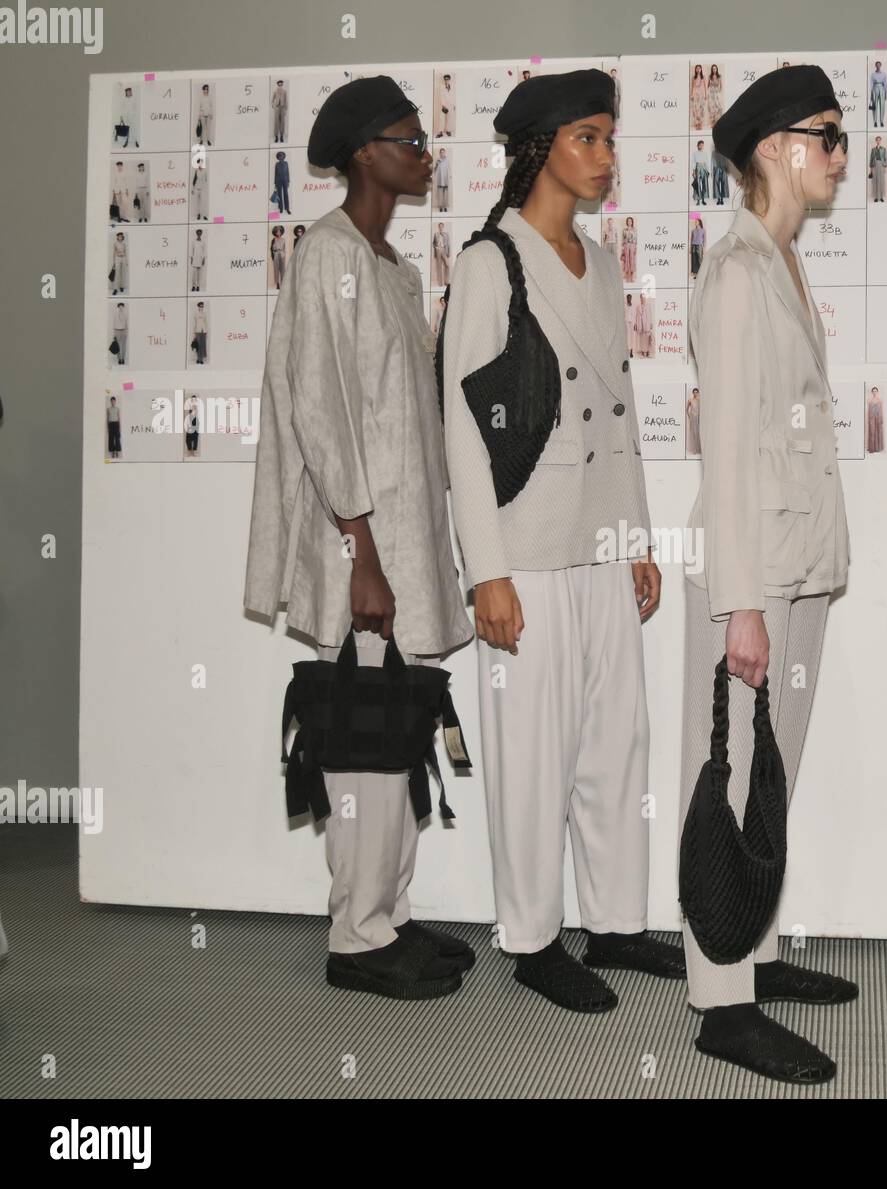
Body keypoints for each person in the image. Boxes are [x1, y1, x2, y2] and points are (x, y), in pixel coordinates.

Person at [438, 68, 684, 1013]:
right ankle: (534, 936)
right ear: (540, 145)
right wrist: (485, 570)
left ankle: (617, 923)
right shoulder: (489, 261)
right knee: (532, 754)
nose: (605, 156)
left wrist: (636, 538)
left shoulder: (605, 262)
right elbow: (461, 426)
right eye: (588, 137)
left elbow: (618, 410)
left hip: (598, 542)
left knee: (614, 742)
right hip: (527, 549)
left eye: (610, 138)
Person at [244, 74, 476, 1000]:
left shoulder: (393, 268)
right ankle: (356, 938)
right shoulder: (327, 255)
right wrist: (361, 552)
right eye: (411, 139)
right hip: (364, 548)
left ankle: (389, 913)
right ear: (363, 153)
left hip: (403, 544)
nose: (425, 153)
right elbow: (321, 411)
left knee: (399, 731)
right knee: (364, 742)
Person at [680, 64, 854, 1085]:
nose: (838, 156)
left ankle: (753, 949)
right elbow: (729, 451)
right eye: (827, 137)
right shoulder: (740, 271)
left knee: (770, 770)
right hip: (756, 571)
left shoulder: (780, 262)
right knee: (733, 776)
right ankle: (719, 999)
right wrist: (739, 602)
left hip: (796, 561)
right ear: (778, 147)